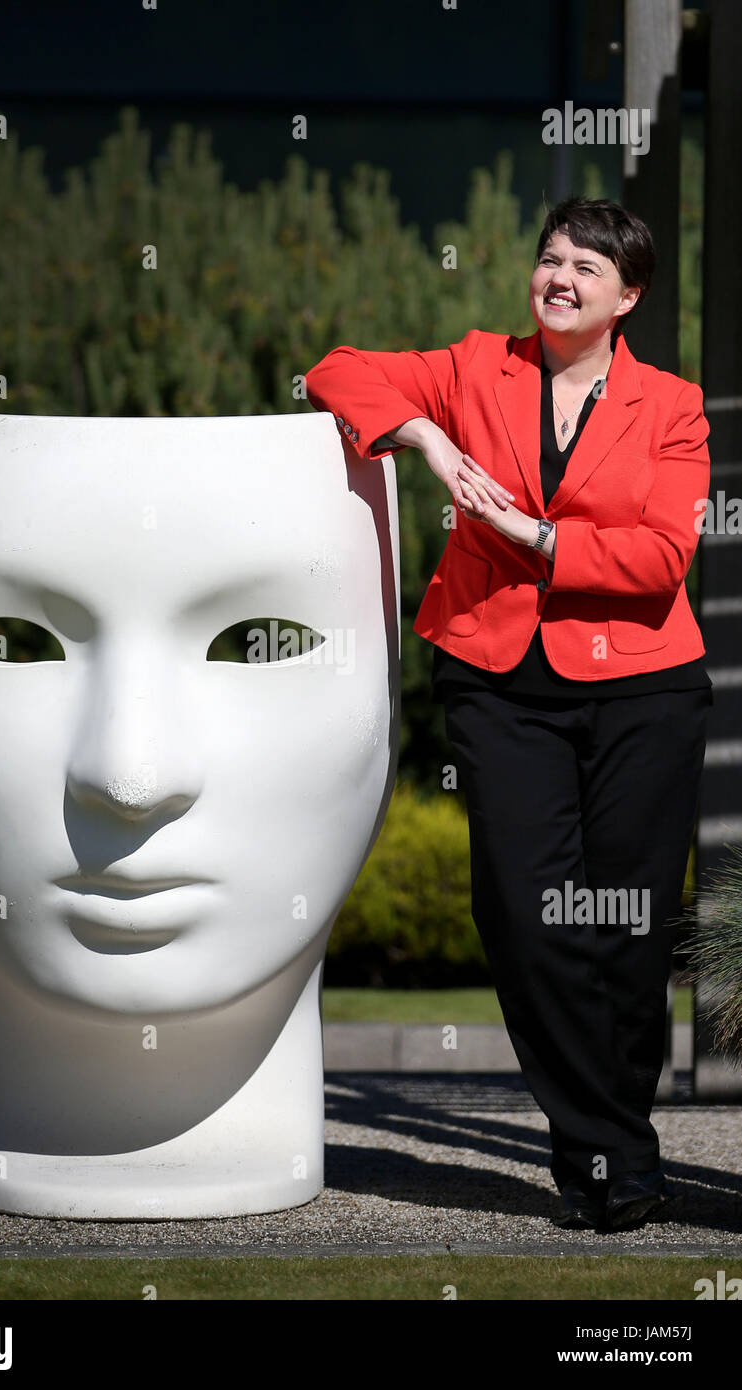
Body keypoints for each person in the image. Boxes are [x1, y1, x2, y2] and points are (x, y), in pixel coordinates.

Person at [303, 196, 713, 1231]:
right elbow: (335, 370)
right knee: (523, 918)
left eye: (586, 266)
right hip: (496, 677)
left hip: (641, 687)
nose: (559, 276)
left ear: (628, 297)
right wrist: (430, 444)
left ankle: (602, 1150)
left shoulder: (671, 404)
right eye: (548, 258)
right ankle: (617, 1148)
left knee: (624, 931)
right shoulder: (474, 364)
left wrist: (532, 536)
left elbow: (662, 558)